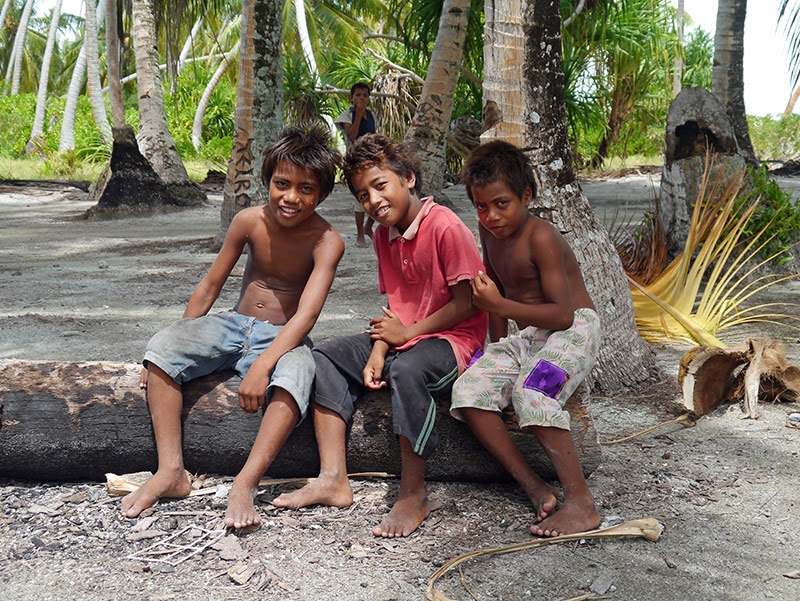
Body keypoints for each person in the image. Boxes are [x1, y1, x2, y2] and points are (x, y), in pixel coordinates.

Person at [120, 125, 345, 530]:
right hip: (232, 324)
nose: (291, 197)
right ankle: (170, 471)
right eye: (282, 184)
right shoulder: (249, 221)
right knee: (162, 345)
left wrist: (263, 367)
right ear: (268, 181)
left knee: (298, 372)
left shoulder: (326, 240)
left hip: (284, 334)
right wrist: (167, 356)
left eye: (305, 189)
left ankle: (245, 483)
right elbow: (209, 286)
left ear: (322, 193)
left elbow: (306, 317)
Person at [273, 134, 488, 538]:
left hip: (454, 341)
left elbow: (469, 304)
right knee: (325, 357)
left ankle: (413, 494)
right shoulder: (381, 235)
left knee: (408, 370)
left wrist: (405, 335)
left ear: (408, 178)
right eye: (362, 194)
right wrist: (379, 348)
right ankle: (333, 477)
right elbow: (396, 305)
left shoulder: (444, 225)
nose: (372, 200)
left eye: (380, 185)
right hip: (405, 336)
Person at [450, 139, 602, 538]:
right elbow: (495, 298)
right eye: (481, 207)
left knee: (533, 393)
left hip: (574, 332)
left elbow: (562, 313)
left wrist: (499, 304)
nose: (492, 216)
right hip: (533, 334)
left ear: (526, 195)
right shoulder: (489, 236)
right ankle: (533, 484)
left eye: (502, 203)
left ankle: (581, 502)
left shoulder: (542, 237)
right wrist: (495, 347)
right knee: (469, 389)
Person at [335, 82, 376, 248]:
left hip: (371, 160)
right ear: (351, 98)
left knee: (377, 193)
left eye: (365, 95)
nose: (362, 98)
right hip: (355, 162)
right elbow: (351, 135)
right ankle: (360, 234)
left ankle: (368, 227)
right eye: (358, 95)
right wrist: (358, 114)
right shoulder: (347, 115)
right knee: (359, 197)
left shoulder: (372, 115)